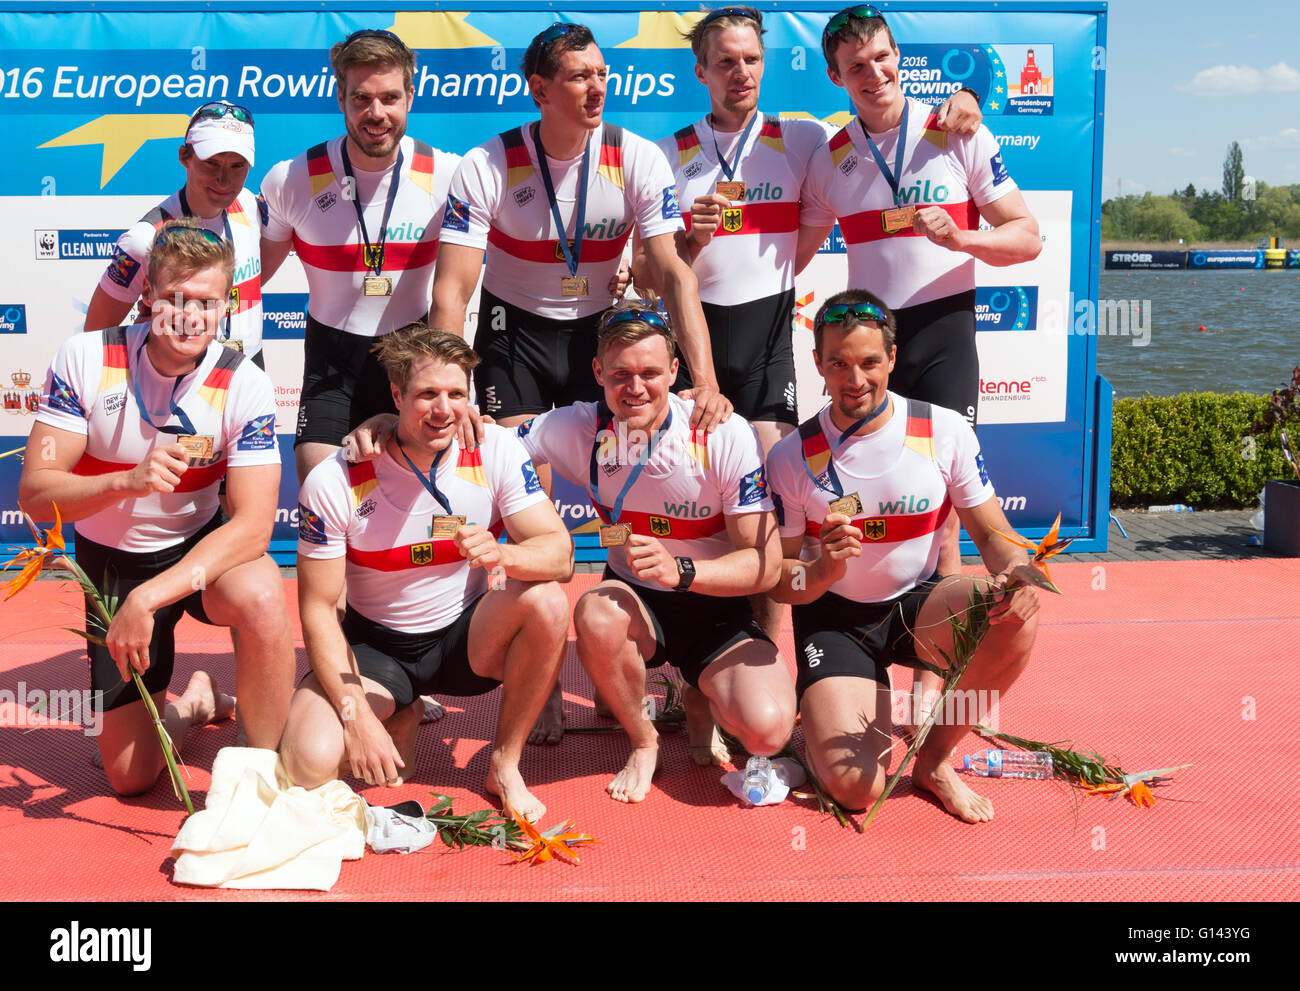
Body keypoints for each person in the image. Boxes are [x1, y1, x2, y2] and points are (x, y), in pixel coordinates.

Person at [640, 4, 981, 639]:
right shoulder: (668, 153)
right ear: (700, 71)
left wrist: (969, 94)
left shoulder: (803, 142)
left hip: (768, 347)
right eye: (724, 62)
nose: (740, 73)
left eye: (750, 60)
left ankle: (770, 660)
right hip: (693, 350)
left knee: (772, 512)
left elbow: (886, 131)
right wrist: (688, 241)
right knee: (692, 505)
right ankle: (689, 665)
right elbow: (643, 275)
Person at [21, 219, 295, 796]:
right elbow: (36, 496)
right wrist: (126, 482)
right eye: (175, 298)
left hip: (196, 555)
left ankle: (263, 781)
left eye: (206, 302)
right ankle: (195, 705)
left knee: (266, 593)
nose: (190, 316)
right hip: (112, 563)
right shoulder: (86, 357)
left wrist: (149, 597)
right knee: (129, 778)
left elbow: (250, 528)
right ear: (147, 296)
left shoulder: (242, 380)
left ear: (225, 306)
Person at [765, 290, 1040, 824]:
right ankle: (854, 699)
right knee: (856, 790)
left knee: (1015, 616)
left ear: (892, 358)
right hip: (836, 618)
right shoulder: (790, 455)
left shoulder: (943, 430)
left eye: (870, 362)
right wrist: (822, 569)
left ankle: (935, 761)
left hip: (917, 605)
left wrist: (1019, 573)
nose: (855, 379)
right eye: (839, 363)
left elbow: (994, 536)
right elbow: (780, 582)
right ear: (818, 364)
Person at [279, 325, 573, 822]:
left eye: (457, 393)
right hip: (376, 650)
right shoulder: (337, 476)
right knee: (308, 762)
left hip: (466, 640)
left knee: (545, 601)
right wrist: (357, 720)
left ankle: (504, 763)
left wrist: (504, 556)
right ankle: (400, 711)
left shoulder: (493, 449)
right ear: (396, 394)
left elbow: (561, 555)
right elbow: (319, 609)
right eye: (427, 394)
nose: (444, 409)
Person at [799, 4, 1040, 583]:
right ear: (837, 76)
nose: (874, 73)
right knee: (867, 477)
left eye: (882, 57)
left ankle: (943, 635)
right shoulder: (830, 158)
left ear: (899, 57)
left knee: (950, 488)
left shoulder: (957, 131)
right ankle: (867, 611)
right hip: (870, 341)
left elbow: (1028, 237)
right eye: (857, 66)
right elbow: (790, 256)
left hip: (943, 332)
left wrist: (962, 237)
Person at [516, 301, 794, 803]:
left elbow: (766, 565)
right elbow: (484, 447)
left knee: (766, 733)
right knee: (597, 618)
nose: (635, 387)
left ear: (674, 370)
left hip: (714, 604)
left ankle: (698, 690)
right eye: (620, 373)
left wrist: (682, 570)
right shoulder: (572, 426)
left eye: (649, 372)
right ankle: (644, 743)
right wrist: (388, 424)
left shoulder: (722, 434)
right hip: (635, 600)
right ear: (598, 371)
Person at [431, 21, 731, 437]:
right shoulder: (487, 164)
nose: (598, 88)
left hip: (598, 330)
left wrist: (705, 382)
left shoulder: (637, 157)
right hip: (512, 333)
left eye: (602, 74)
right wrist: (449, 391)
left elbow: (674, 274)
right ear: (540, 90)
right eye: (579, 76)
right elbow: (451, 290)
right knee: (525, 471)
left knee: (618, 462)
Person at [259, 29, 461, 485]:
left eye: (390, 97)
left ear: (411, 95)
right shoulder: (291, 178)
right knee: (319, 489)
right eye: (361, 99)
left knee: (412, 497)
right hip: (332, 363)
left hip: (413, 359)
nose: (376, 114)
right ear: (340, 97)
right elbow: (252, 279)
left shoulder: (448, 174)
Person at [85, 101, 266, 366]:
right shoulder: (145, 239)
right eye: (211, 163)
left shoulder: (249, 205)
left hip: (248, 366)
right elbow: (95, 334)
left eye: (237, 166)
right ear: (185, 157)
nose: (224, 179)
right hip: (177, 379)